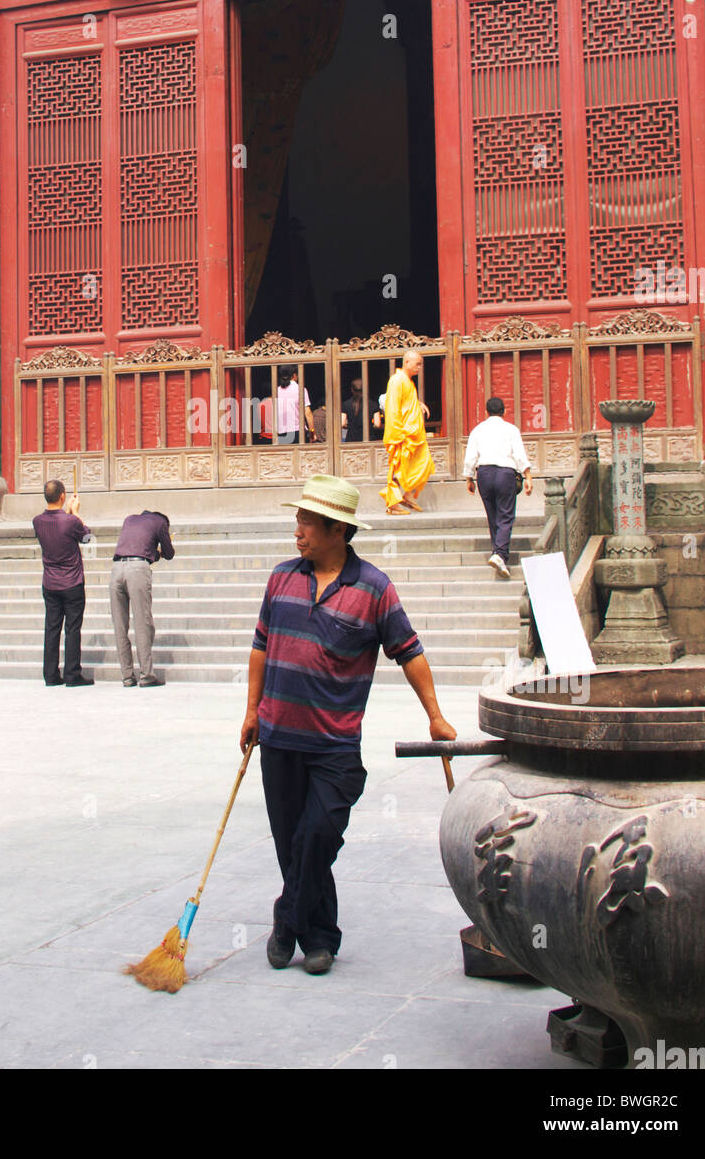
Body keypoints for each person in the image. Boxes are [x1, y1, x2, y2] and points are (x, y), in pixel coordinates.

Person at [241, 474, 456, 976]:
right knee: (292, 843)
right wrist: (252, 711)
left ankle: (285, 917)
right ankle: (319, 939)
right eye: (298, 518)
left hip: (335, 746)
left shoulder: (374, 589)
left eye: (307, 520)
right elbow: (259, 647)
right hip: (278, 737)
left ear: (337, 529)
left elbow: (410, 653)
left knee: (317, 836)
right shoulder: (281, 578)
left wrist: (435, 715)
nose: (297, 528)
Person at [32, 479, 94, 687]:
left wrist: (67, 513)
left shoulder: (37, 521)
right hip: (71, 581)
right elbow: (87, 538)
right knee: (72, 628)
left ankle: (50, 674)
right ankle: (72, 674)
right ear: (62, 496)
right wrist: (75, 512)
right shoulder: (71, 522)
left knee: (52, 628)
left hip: (50, 582)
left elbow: (58, 528)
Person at [463, 397, 532, 579]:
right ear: (504, 411)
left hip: (484, 473)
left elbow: (471, 456)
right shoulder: (511, 430)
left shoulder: (478, 430)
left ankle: (498, 552)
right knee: (506, 515)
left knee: (493, 515)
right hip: (505, 473)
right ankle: (500, 554)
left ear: (486, 411)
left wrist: (469, 478)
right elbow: (519, 454)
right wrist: (528, 476)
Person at [110, 510, 175, 687]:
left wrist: (154, 553)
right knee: (142, 622)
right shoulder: (161, 522)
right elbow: (169, 553)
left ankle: (127, 676)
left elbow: (138, 545)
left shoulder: (129, 518)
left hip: (116, 569)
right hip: (138, 569)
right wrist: (161, 549)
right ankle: (147, 675)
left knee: (120, 626)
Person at [380, 351, 434, 514]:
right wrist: (397, 434)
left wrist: (417, 403)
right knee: (398, 468)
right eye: (417, 364)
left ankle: (408, 496)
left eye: (420, 364)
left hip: (414, 435)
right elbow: (393, 408)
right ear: (407, 362)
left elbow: (405, 402)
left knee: (424, 464)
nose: (419, 367)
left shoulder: (407, 381)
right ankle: (392, 504)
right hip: (403, 434)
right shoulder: (397, 380)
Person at [275, 367, 314, 444]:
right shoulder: (300, 389)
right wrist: (312, 432)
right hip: (297, 432)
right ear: (294, 375)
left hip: (281, 432)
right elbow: (308, 413)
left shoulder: (276, 390)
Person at [341, 378, 377, 443]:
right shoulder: (373, 404)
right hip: (369, 439)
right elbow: (377, 424)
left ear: (352, 390)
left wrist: (351, 426)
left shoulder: (346, 404)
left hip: (351, 439)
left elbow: (343, 423)